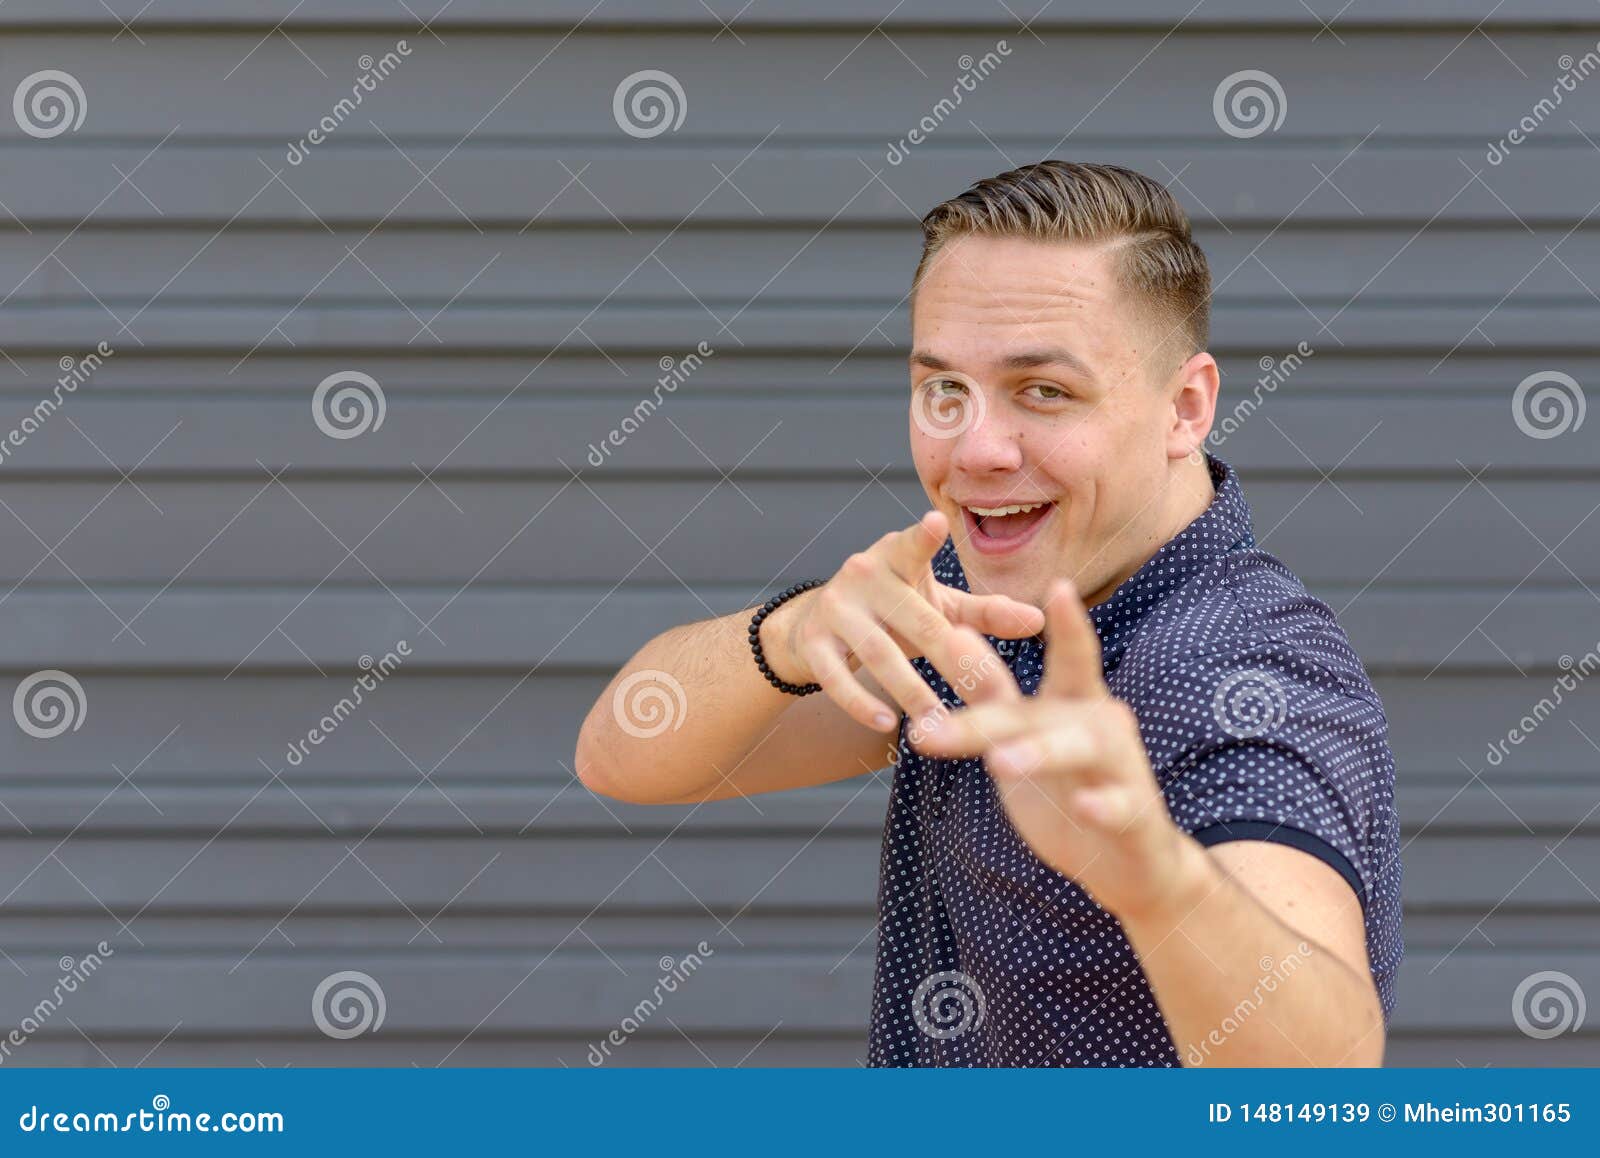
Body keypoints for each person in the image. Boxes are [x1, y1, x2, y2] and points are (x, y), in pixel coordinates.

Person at [576, 160, 1402, 1067]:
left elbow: (1327, 1076)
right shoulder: (994, 613)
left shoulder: (1236, 672)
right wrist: (789, 634)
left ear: (1186, 407)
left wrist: (1151, 876)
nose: (975, 450)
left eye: (1043, 391)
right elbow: (622, 760)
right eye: (944, 389)